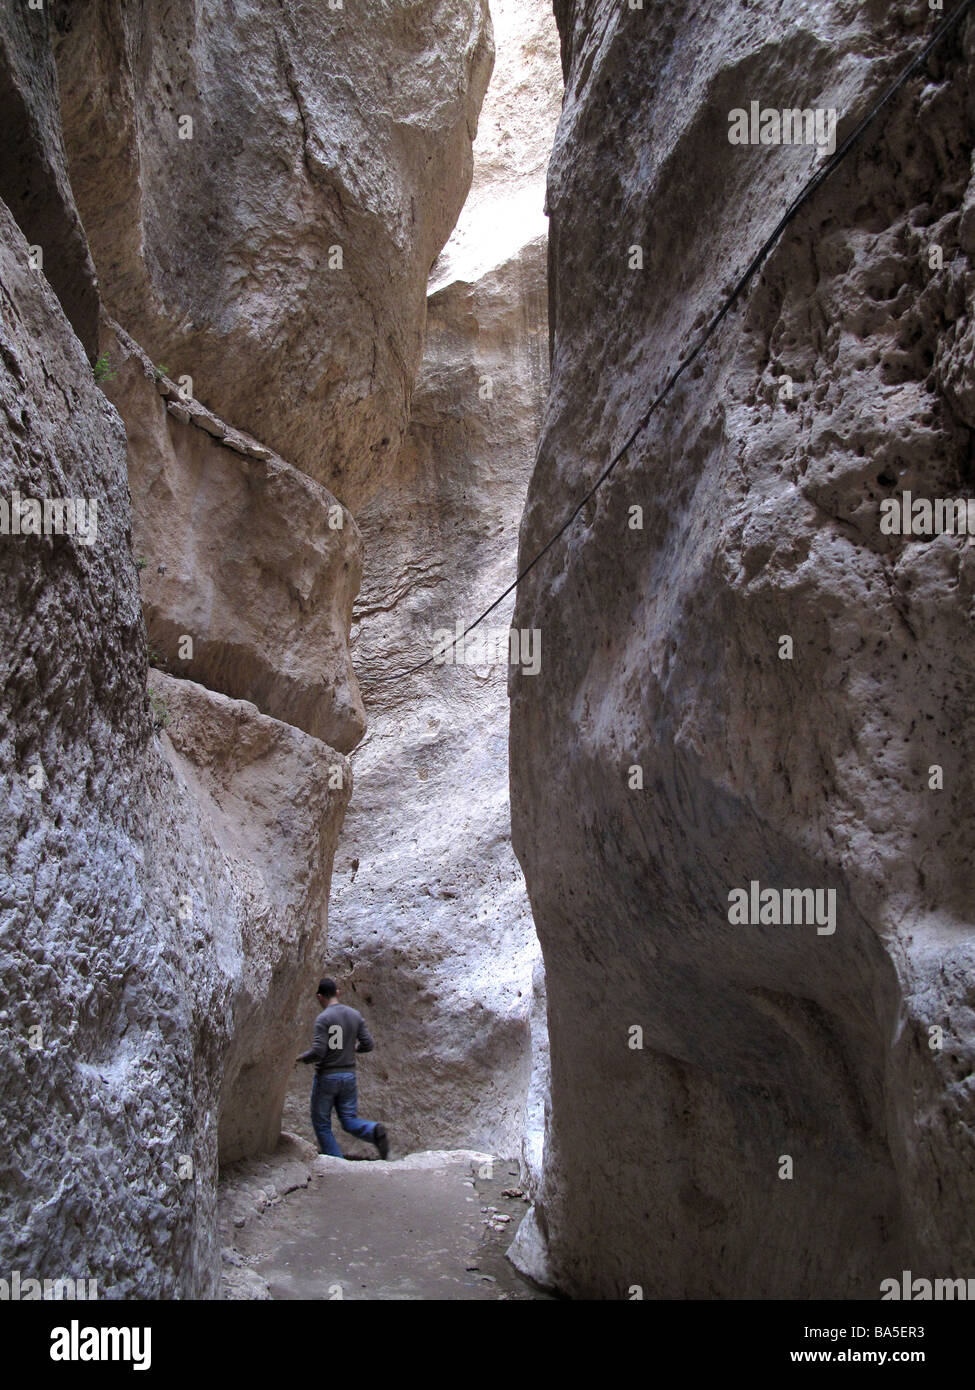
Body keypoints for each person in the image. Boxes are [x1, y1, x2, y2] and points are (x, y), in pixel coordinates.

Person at [296, 977, 389, 1159]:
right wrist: (352, 1049)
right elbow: (368, 1044)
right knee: (348, 1119)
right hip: (348, 1075)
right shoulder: (354, 1014)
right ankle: (373, 1130)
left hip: (327, 1076)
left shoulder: (323, 1018)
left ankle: (336, 1162)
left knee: (321, 1123)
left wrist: (300, 1059)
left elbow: (319, 1051)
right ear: (338, 993)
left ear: (319, 997)